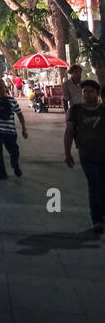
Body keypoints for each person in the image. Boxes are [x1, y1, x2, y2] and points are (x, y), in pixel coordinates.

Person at [64, 79, 105, 232]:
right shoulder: (76, 110)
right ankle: (97, 220)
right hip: (87, 154)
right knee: (94, 184)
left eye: (90, 91)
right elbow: (69, 131)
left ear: (97, 93)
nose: (87, 94)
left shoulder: (103, 110)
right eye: (84, 91)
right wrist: (67, 153)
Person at [0, 78, 27, 179]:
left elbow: (20, 114)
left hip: (9, 130)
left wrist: (24, 128)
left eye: (1, 86)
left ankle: (14, 164)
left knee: (14, 151)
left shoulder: (12, 100)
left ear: (5, 87)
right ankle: (2, 173)